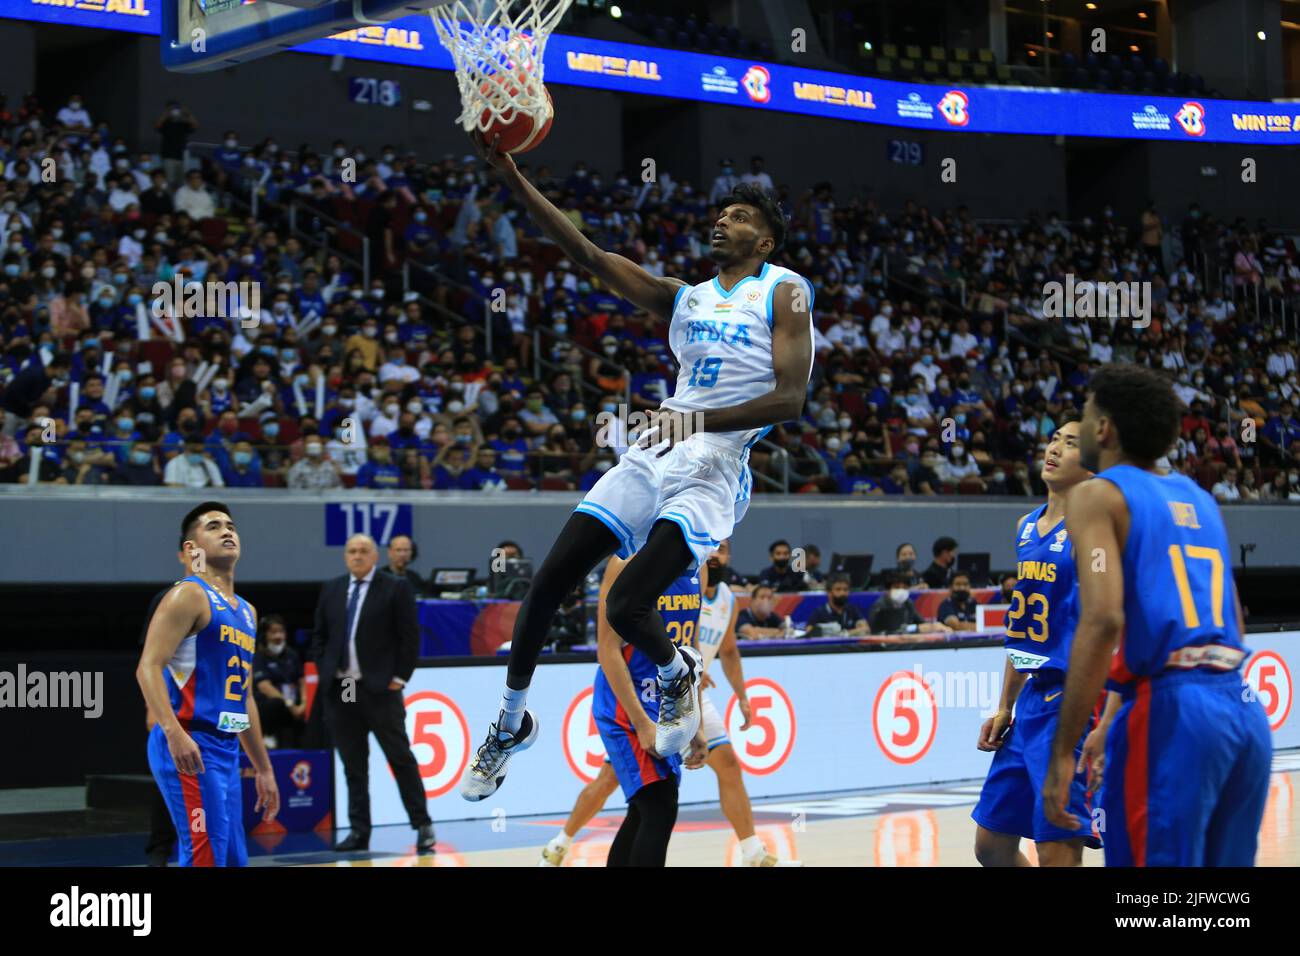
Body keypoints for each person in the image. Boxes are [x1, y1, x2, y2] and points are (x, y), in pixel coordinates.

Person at [459, 133, 814, 801]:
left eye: (740, 217)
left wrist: (696, 419)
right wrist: (511, 175)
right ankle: (509, 724)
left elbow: (791, 399)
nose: (723, 221)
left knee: (626, 605)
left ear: (765, 243)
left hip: (714, 465)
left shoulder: (786, 291)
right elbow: (587, 254)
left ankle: (678, 672)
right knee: (548, 583)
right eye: (721, 214)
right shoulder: (687, 297)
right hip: (658, 449)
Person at [1044, 366, 1272, 866]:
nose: (1078, 427)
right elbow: (1231, 610)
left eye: (1084, 416)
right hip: (1243, 708)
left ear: (1103, 429)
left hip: (1175, 713)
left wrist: (1064, 751)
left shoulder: (1095, 495)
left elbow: (1103, 619)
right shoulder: (1201, 498)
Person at [540, 540, 798, 867]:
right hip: (627, 703)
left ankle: (752, 851)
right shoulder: (625, 562)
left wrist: (697, 722)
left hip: (670, 700)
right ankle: (561, 843)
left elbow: (688, 648)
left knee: (646, 806)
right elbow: (607, 650)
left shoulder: (698, 566)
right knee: (659, 803)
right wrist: (641, 721)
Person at [971, 414, 1101, 867]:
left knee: (1055, 849)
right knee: (991, 847)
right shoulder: (1027, 525)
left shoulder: (1094, 528)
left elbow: (1112, 619)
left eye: (1070, 443)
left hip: (1072, 701)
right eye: (1054, 439)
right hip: (1030, 701)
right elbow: (1020, 627)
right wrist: (1005, 704)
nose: (1055, 448)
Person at [135, 502, 280, 866]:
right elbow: (147, 667)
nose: (227, 531)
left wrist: (263, 767)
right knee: (205, 855)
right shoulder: (189, 594)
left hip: (226, 747)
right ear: (191, 550)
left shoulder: (248, 611)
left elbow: (244, 698)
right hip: (190, 739)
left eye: (231, 525)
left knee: (232, 857)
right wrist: (173, 732)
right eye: (214, 526)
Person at [310, 534, 435, 853]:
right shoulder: (333, 588)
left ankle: (422, 825)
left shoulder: (395, 587)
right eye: (351, 551)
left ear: (375, 556)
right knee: (353, 764)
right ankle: (358, 830)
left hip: (379, 688)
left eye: (363, 551)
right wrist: (326, 670)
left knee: (399, 757)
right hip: (344, 688)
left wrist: (400, 677)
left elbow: (410, 636)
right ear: (345, 556)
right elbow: (320, 635)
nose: (357, 556)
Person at [252, 615, 306, 749]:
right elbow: (264, 686)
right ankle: (266, 736)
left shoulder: (292, 655)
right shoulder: (258, 657)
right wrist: (290, 705)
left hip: (294, 707)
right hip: (272, 707)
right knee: (275, 704)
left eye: (281, 631)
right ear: (265, 635)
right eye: (273, 632)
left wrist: (304, 703)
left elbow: (301, 680)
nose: (278, 636)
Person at [867, 573, 952, 635]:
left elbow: (921, 623)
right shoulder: (880, 606)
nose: (901, 591)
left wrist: (934, 626)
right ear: (888, 590)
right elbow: (886, 631)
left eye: (904, 588)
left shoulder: (908, 603)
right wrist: (916, 629)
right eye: (897, 587)